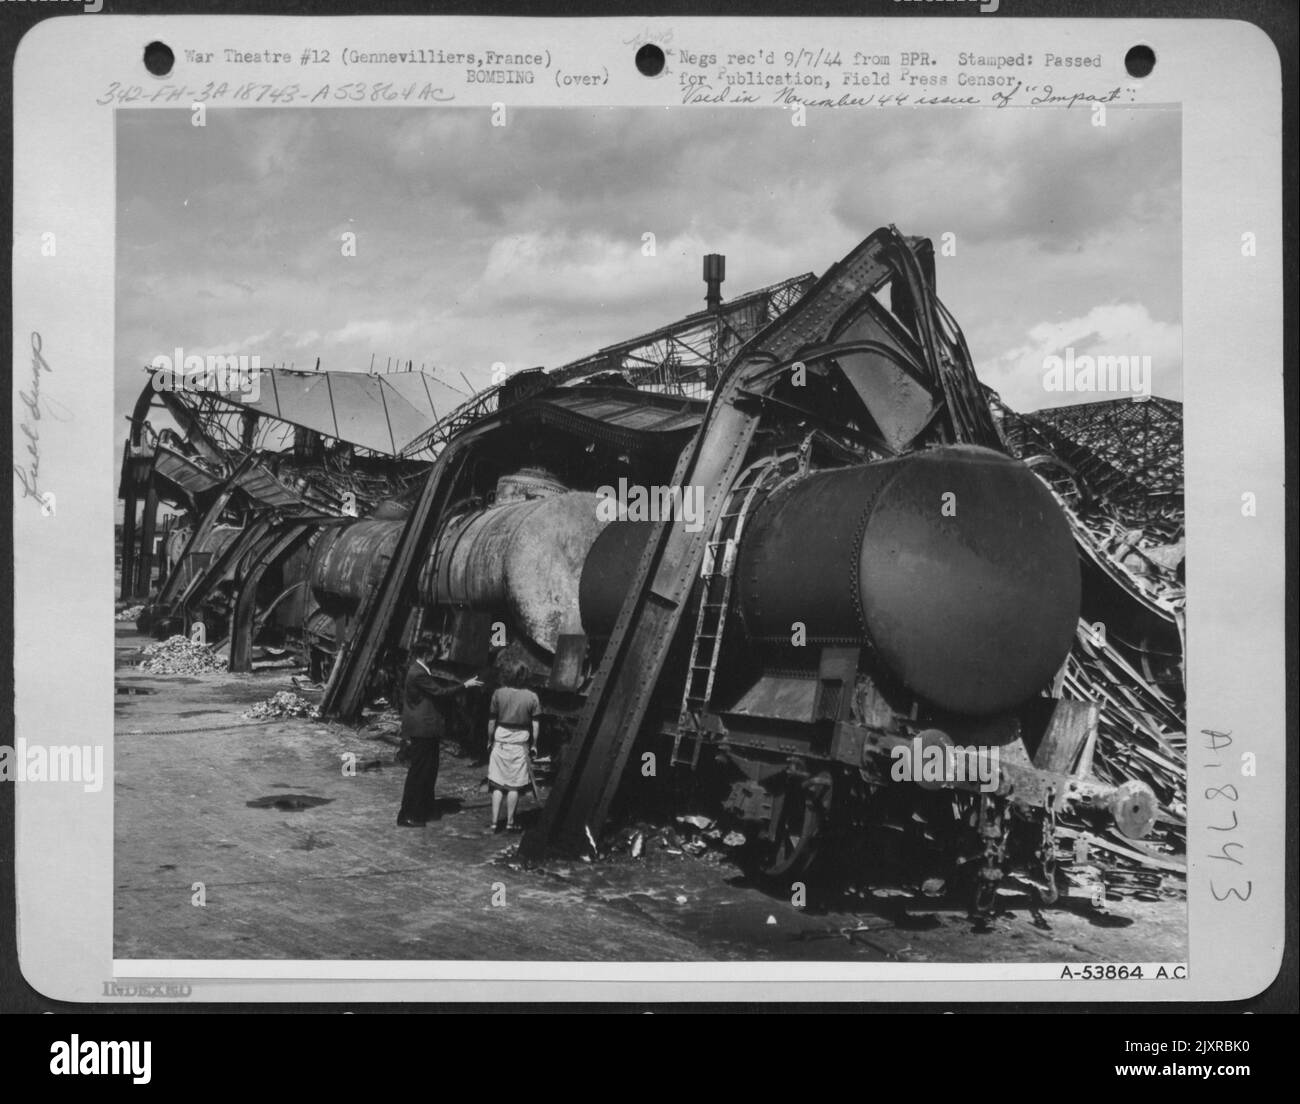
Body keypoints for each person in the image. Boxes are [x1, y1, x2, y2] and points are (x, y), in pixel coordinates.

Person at [396, 638, 482, 827]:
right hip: (422, 728)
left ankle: (423, 808)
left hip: (427, 728)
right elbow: (440, 692)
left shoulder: (419, 669)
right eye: (433, 653)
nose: (436, 656)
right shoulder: (418, 673)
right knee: (419, 771)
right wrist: (465, 685)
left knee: (428, 770)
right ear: (425, 654)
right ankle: (409, 813)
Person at [486, 666, 541, 833]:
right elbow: (535, 725)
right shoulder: (532, 697)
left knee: (497, 784)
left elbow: (491, 722)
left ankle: (494, 823)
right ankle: (510, 823)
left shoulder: (498, 693)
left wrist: (489, 741)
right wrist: (534, 744)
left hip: (501, 739)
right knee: (514, 786)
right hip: (520, 742)